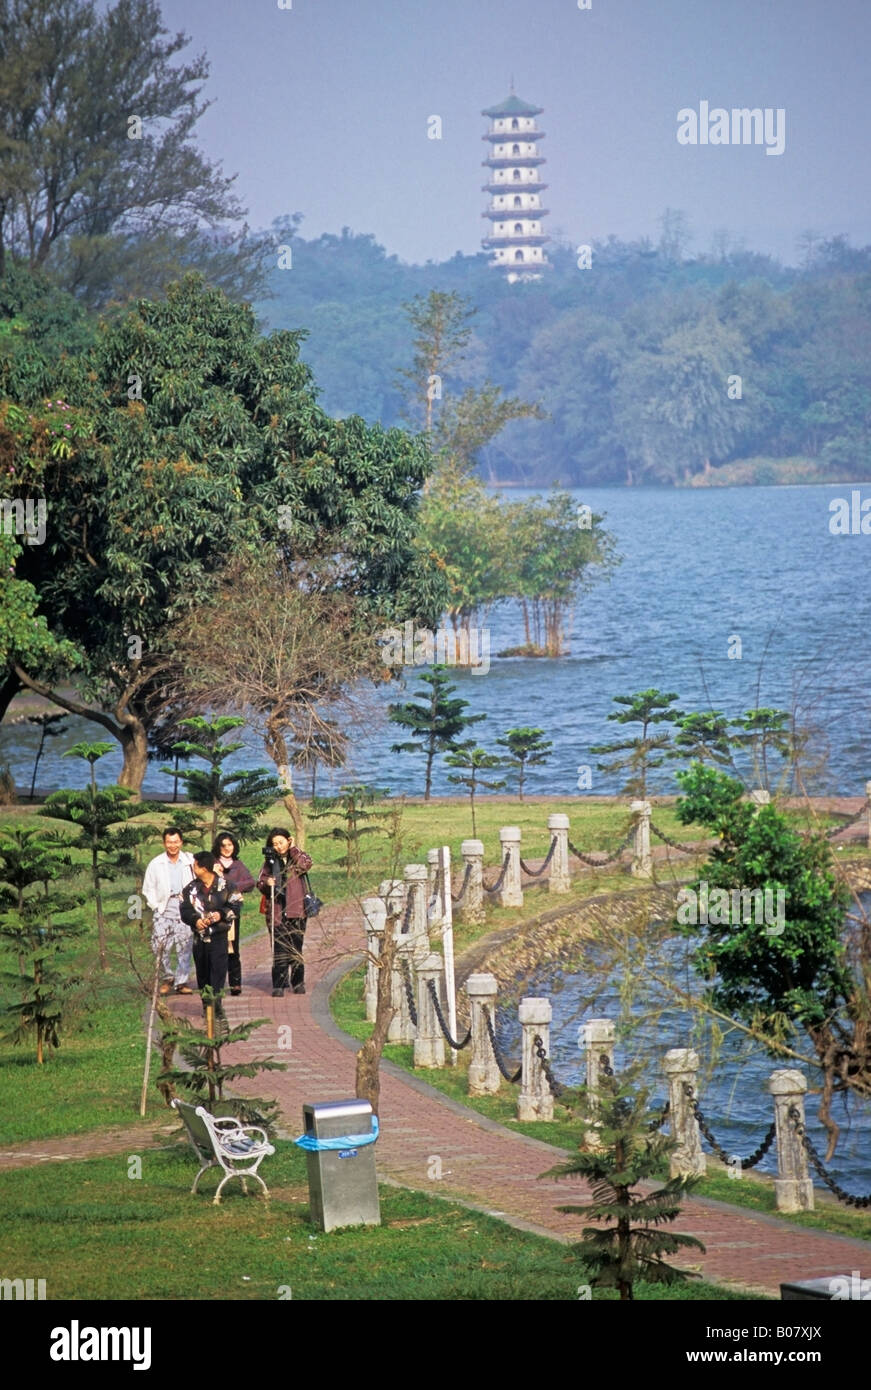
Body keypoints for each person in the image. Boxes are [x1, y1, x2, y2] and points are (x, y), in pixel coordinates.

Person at [257, 827, 312, 998]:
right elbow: (260, 882)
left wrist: (294, 848)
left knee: (296, 946)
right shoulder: (269, 862)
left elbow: (306, 865)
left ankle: (298, 982)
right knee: (280, 948)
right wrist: (268, 882)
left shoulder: (298, 856)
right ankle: (279, 984)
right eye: (274, 844)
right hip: (277, 911)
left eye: (281, 842)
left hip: (297, 910)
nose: (278, 847)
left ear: (288, 841)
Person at [179, 851, 235, 1013]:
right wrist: (195, 920)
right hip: (199, 939)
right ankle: (206, 1006)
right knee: (202, 974)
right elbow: (185, 910)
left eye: (195, 865)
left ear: (203, 868)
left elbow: (235, 906)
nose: (193, 867)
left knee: (217, 973)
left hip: (219, 937)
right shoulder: (190, 889)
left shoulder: (227, 886)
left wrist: (221, 914)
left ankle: (216, 1007)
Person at [142, 828, 196, 995]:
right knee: (160, 946)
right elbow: (148, 888)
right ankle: (167, 977)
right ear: (164, 843)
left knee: (184, 945)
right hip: (164, 907)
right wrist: (155, 906)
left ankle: (181, 981)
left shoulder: (190, 861)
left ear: (181, 842)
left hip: (185, 907)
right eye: (169, 842)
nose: (173, 845)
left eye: (176, 841)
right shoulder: (156, 863)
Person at [212, 832, 256, 996]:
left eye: (230, 845)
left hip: (233, 910)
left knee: (233, 945)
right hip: (216, 909)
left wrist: (233, 885)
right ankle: (217, 982)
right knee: (217, 946)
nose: (227, 848)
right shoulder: (213, 863)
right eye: (223, 845)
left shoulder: (238, 864)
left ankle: (235, 982)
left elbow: (251, 882)